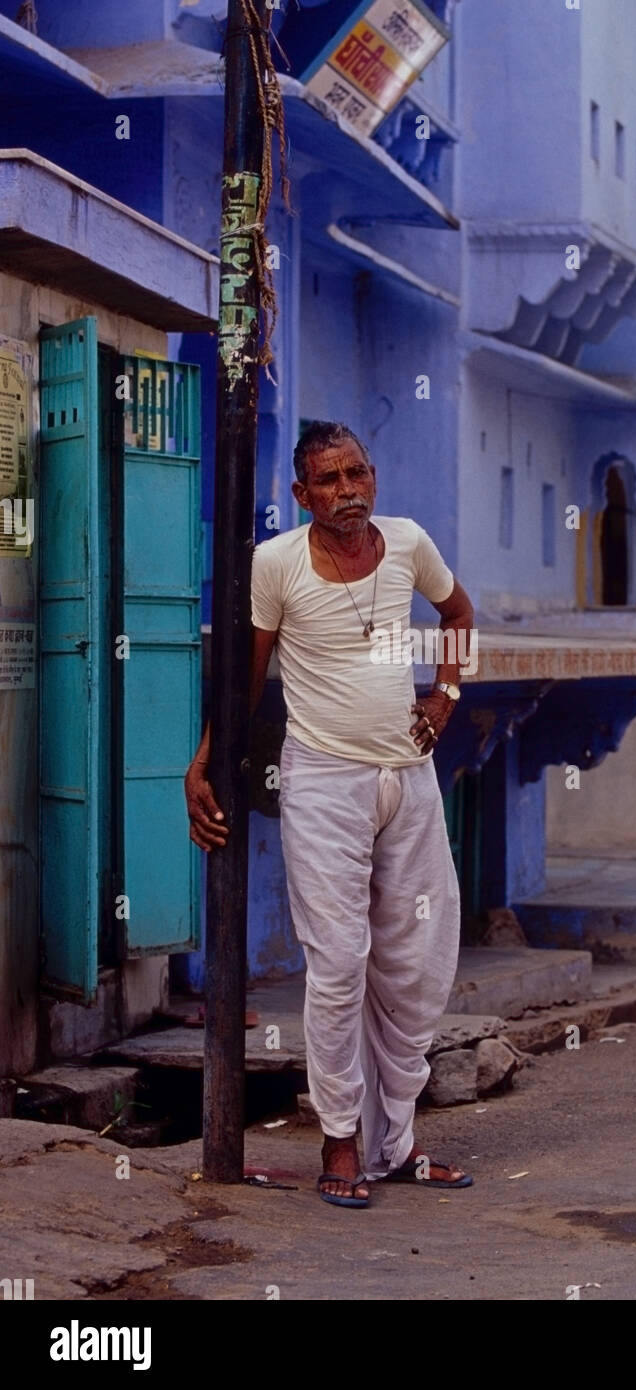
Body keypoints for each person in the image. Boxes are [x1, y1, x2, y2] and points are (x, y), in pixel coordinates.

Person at [185, 421, 475, 1208]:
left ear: (373, 478)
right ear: (301, 494)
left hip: (409, 780)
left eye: (357, 474)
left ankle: (399, 1142)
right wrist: (209, 759)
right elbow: (244, 677)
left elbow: (459, 617)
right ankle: (341, 1141)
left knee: (415, 961)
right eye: (329, 480)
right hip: (322, 782)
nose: (348, 491)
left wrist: (445, 697)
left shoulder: (409, 543)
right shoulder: (275, 565)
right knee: (339, 963)